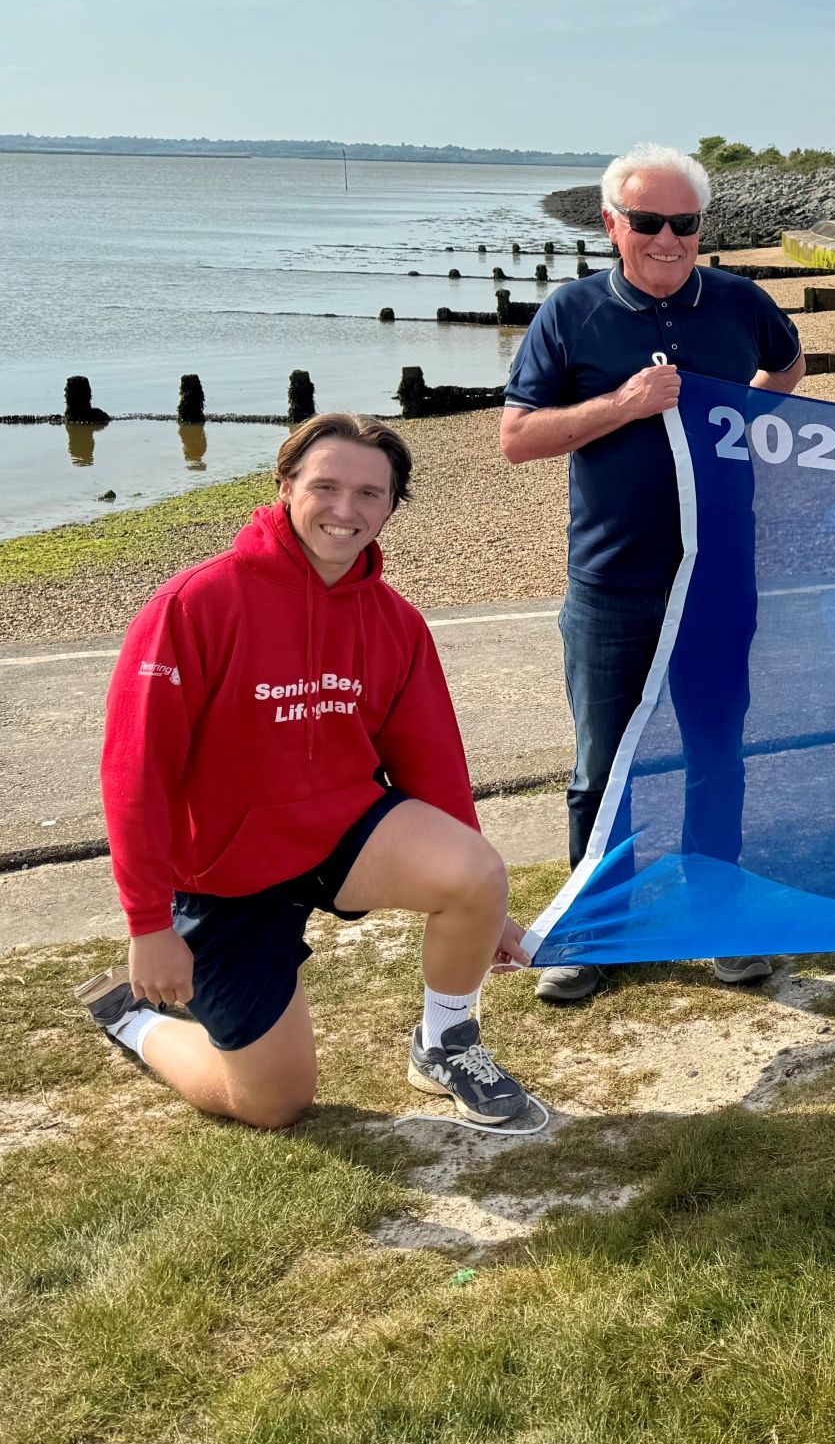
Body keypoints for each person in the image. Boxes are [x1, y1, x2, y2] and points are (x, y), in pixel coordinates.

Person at [75, 414, 537, 1128]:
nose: (345, 510)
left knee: (475, 872)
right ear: (285, 485)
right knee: (274, 1103)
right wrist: (148, 925)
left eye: (370, 493)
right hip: (225, 873)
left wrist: (488, 906)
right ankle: (133, 1019)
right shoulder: (194, 605)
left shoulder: (395, 622)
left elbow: (434, 767)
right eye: (325, 486)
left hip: (337, 833)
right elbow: (136, 777)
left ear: (392, 507)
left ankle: (445, 1043)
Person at [499, 142, 806, 1004]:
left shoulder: (740, 302)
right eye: (647, 221)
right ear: (612, 225)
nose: (667, 238)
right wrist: (624, 405)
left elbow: (788, 365)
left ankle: (716, 922)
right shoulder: (571, 313)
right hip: (612, 581)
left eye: (684, 222)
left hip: (717, 578)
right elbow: (518, 438)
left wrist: (740, 412)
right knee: (603, 768)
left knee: (717, 752)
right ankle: (595, 933)